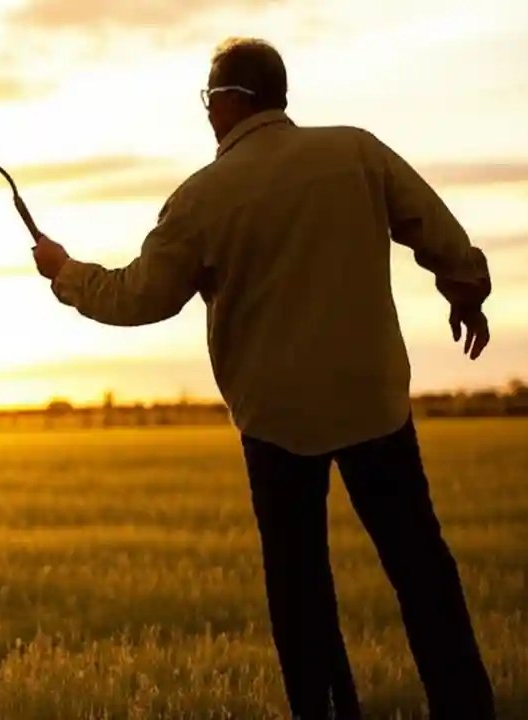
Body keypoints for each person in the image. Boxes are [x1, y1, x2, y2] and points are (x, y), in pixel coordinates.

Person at [31, 37, 495, 719]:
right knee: (423, 571)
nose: (207, 115)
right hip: (374, 404)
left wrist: (66, 274)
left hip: (276, 424)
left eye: (208, 100)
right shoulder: (357, 152)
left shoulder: (201, 199)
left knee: (300, 591)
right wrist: (466, 290)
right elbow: (439, 230)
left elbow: (139, 297)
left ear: (230, 101)